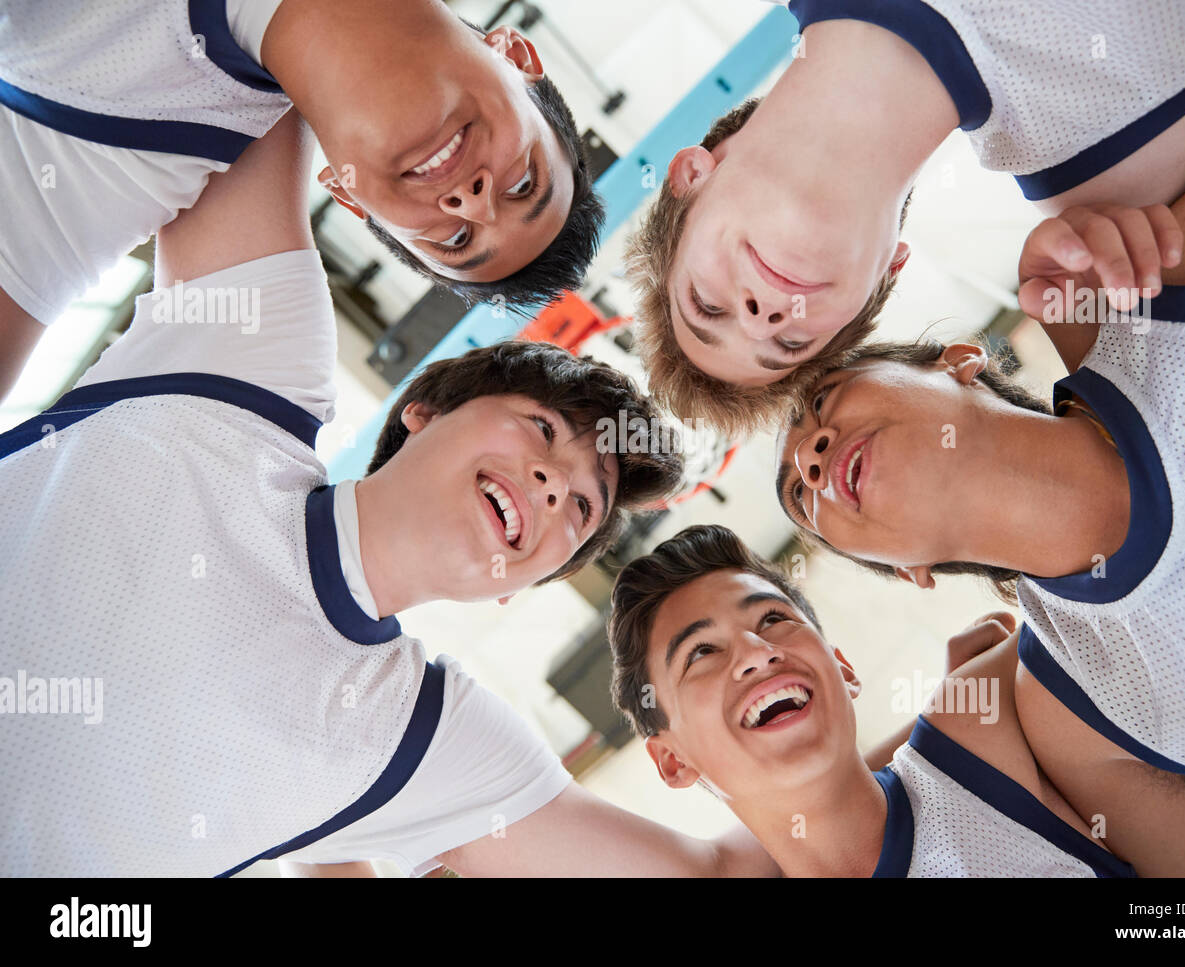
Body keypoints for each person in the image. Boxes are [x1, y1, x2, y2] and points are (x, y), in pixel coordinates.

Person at [0, 111, 781, 878]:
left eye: (582, 507)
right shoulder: (249, 372)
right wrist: (467, 115)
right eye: (542, 429)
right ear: (425, 411)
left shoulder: (426, 739)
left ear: (519, 586)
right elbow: (252, 88)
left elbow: (716, 876)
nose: (554, 484)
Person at [774, 65, 1185, 783]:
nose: (811, 459)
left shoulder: (1176, 306)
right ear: (907, 570)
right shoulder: (1081, 707)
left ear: (958, 360)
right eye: (801, 494)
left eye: (825, 400)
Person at [624, 0, 1185, 432]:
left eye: (707, 304)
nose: (760, 318)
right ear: (888, 272)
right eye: (789, 344)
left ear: (691, 176)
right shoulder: (1121, 176)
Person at [0, 0, 604, 401]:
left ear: (346, 194)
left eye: (457, 240)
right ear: (516, 56)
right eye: (522, 185)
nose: (472, 205)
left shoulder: (108, 169)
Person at [606, 525, 1185, 876]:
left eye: (772, 618)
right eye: (700, 653)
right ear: (673, 760)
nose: (755, 651)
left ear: (842, 668)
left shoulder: (993, 729)